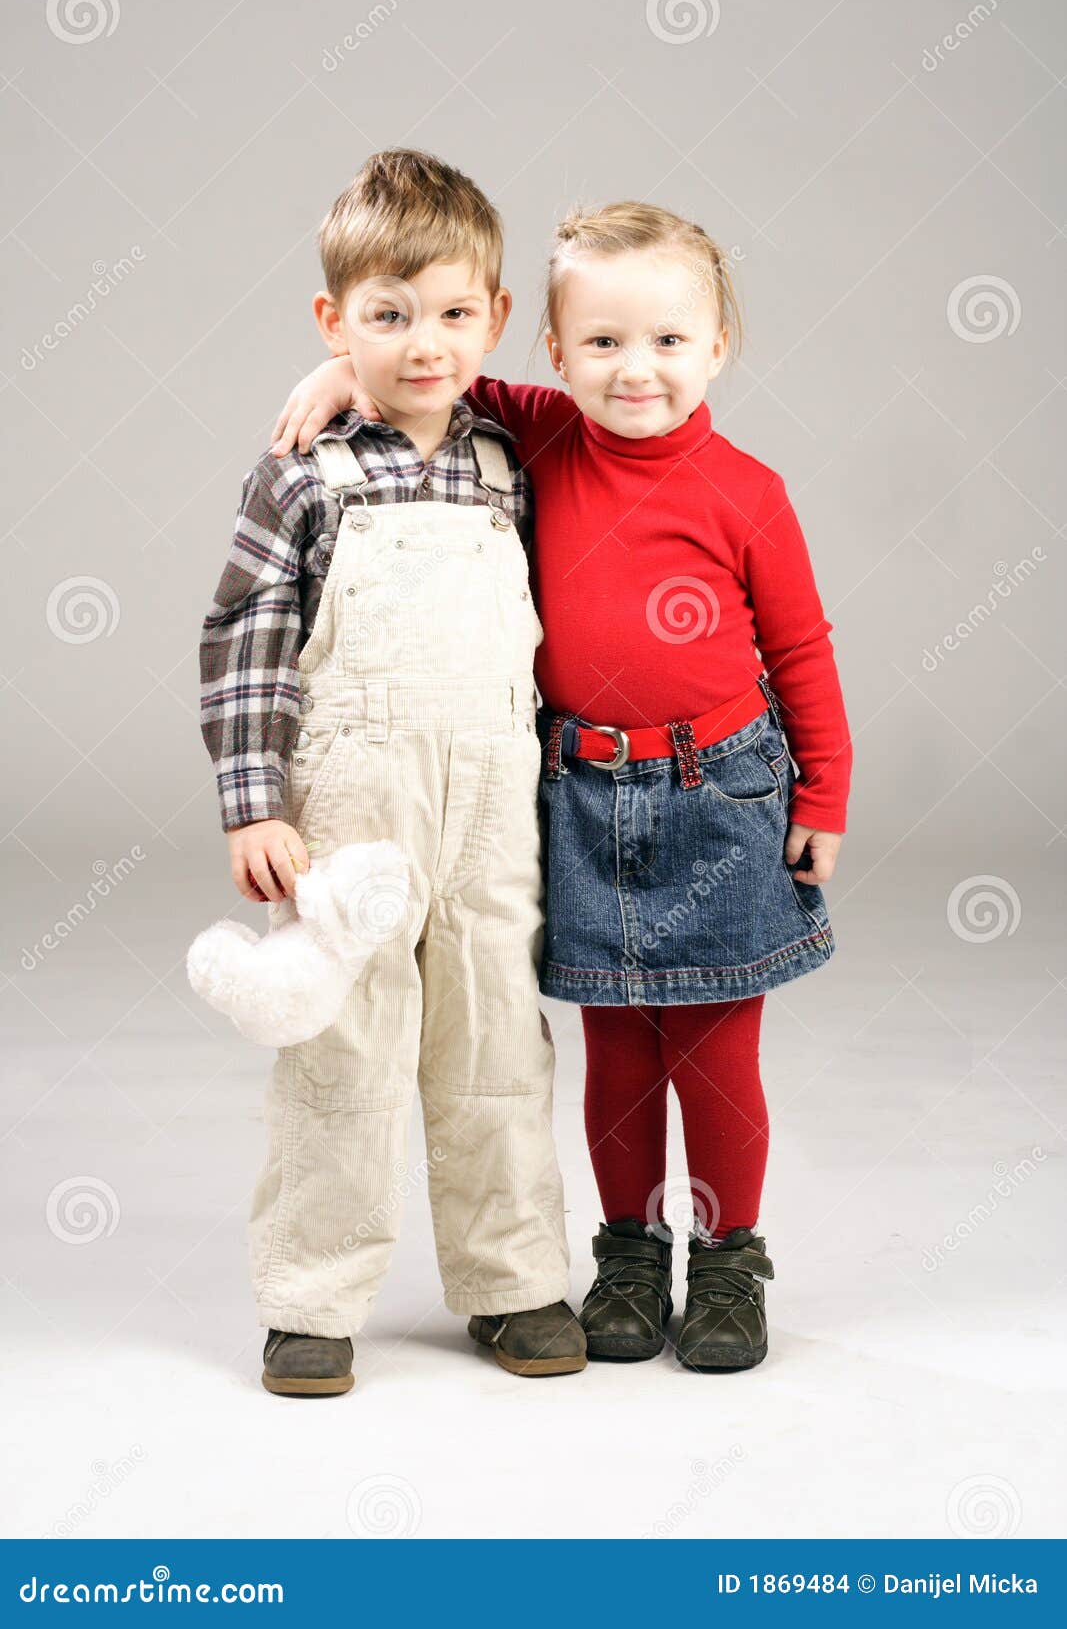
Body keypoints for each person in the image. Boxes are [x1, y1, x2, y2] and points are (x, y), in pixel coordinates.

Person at [270, 198, 853, 1374]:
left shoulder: (747, 490)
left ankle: (727, 1252)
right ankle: (628, 1252)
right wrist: (343, 365)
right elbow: (431, 364)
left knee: (714, 1049)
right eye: (600, 343)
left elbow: (800, 652)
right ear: (549, 350)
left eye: (667, 342)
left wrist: (822, 796)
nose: (634, 370)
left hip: (720, 796)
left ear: (717, 346)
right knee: (617, 1054)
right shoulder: (538, 436)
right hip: (582, 795)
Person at [198, 149, 586, 1397]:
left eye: (452, 314)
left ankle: (513, 1277)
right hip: (352, 806)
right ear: (333, 320)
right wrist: (252, 798)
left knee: (494, 1037)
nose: (424, 343)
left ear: (496, 318)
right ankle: (309, 1300)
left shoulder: (509, 465)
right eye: (385, 316)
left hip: (490, 804)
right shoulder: (304, 470)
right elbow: (246, 636)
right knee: (343, 1042)